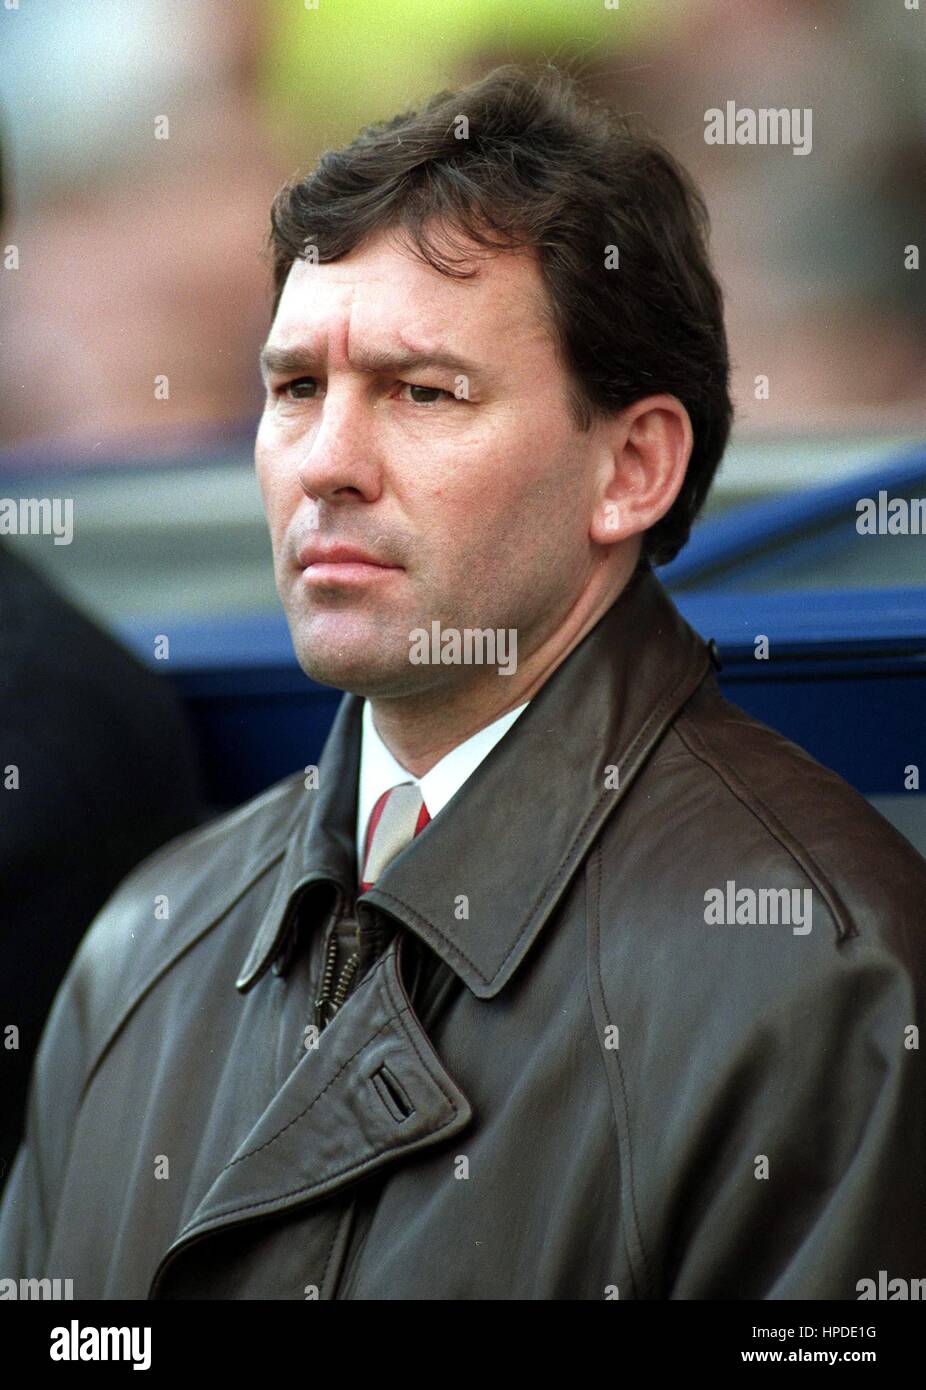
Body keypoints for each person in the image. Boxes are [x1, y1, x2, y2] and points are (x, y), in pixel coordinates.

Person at [1, 64, 923, 1300]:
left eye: (422, 391)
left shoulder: (826, 986)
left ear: (633, 465)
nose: (325, 462)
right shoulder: (139, 949)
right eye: (293, 390)